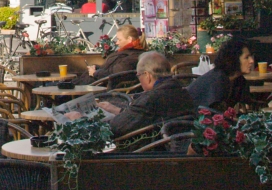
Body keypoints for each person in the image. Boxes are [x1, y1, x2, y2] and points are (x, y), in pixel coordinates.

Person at [60, 52, 197, 138]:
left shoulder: (150, 99)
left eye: (139, 76)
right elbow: (143, 117)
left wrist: (80, 118)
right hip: (168, 147)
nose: (139, 79)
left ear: (147, 76)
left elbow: (112, 129)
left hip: (140, 154)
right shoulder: (181, 91)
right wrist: (116, 110)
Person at [188, 38, 255, 109]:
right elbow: (211, 112)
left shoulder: (239, 80)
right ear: (233, 59)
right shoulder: (216, 80)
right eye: (246, 57)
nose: (252, 61)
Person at [76, 25, 145, 85]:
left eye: (119, 40)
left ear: (129, 39)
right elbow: (111, 69)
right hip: (97, 81)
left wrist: (95, 73)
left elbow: (115, 74)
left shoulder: (133, 56)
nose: (117, 43)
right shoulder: (126, 52)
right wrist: (96, 67)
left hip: (101, 86)